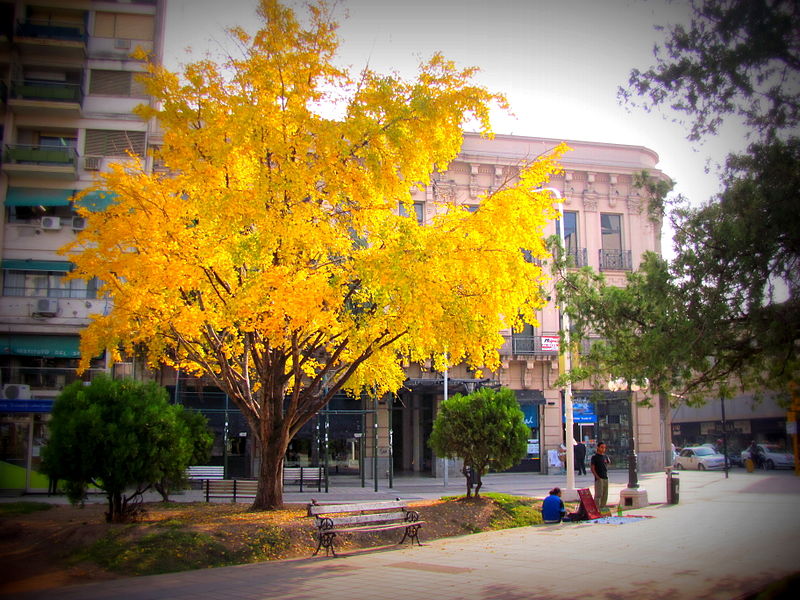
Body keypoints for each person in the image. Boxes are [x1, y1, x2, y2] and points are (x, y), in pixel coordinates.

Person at [590, 441, 611, 512]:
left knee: (605, 494)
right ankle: (597, 508)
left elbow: (608, 463)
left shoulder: (605, 456)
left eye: (604, 448)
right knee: (599, 494)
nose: (603, 449)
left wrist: (607, 459)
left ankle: (603, 507)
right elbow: (592, 468)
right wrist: (597, 477)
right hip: (599, 478)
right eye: (601, 447)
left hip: (605, 477)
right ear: (598, 448)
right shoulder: (595, 457)